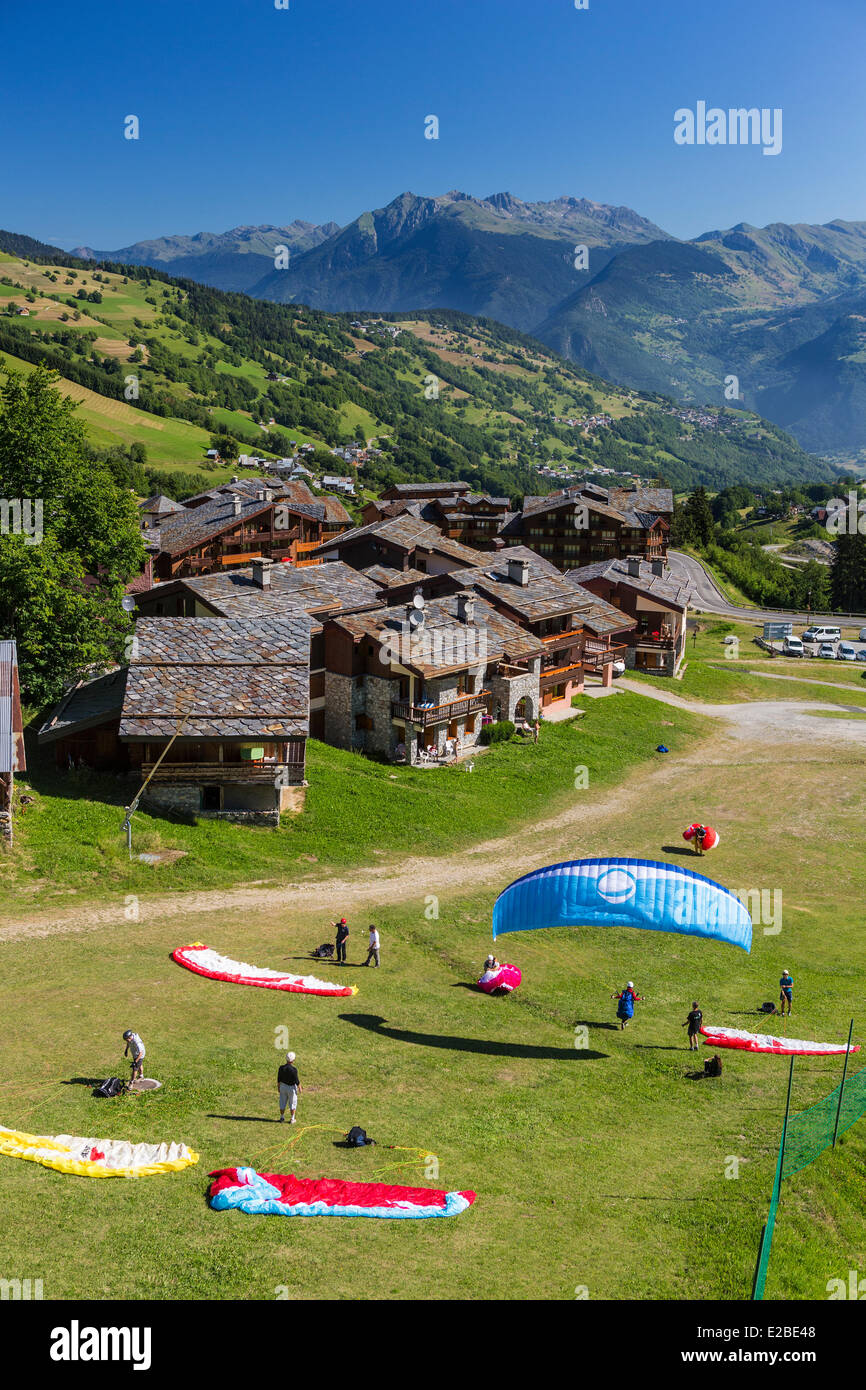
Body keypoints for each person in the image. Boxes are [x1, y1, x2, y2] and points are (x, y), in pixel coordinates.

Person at [278, 1051, 300, 1124]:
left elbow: (279, 1079)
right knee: (292, 1103)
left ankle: (282, 1117)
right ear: (293, 1060)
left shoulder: (281, 1068)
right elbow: (296, 1080)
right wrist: (300, 1087)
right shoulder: (294, 1070)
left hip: (283, 1086)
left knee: (282, 1102)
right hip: (291, 1088)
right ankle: (292, 1118)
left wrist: (278, 1087)